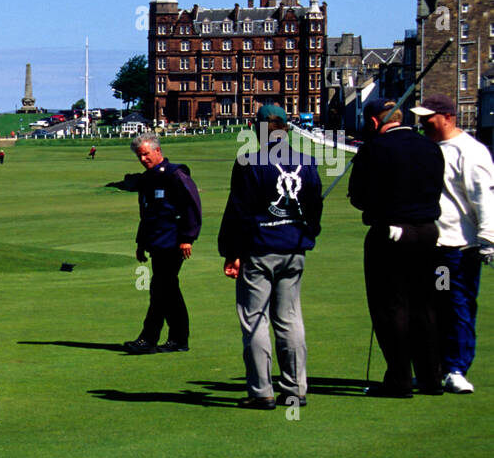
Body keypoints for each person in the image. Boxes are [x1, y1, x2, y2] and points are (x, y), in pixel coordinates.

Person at [217, 105, 323, 408]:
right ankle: (295, 389)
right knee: (290, 319)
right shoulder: (308, 161)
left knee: (255, 321)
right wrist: (309, 232)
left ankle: (262, 392)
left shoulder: (248, 162)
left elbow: (238, 212)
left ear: (258, 128)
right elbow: (314, 207)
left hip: (259, 250)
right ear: (286, 128)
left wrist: (230, 252)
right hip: (294, 248)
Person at [347, 99, 446, 397]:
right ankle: (431, 377)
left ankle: (400, 380)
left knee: (392, 307)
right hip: (430, 233)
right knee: (426, 305)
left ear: (374, 123)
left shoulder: (374, 149)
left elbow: (359, 196)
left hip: (391, 232)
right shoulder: (432, 147)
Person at [412, 93, 494, 393]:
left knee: (455, 306)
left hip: (457, 248)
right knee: (429, 308)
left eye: (428, 119)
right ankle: (431, 370)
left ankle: (456, 368)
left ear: (447, 117)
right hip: (429, 245)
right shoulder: (427, 148)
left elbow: (484, 197)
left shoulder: (470, 152)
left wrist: (488, 239)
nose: (423, 124)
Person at [123, 132, 201, 354]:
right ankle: (178, 339)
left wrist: (188, 238)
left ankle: (148, 338)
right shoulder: (147, 179)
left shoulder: (176, 175)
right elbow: (147, 214)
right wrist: (140, 243)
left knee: (160, 288)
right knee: (168, 289)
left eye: (146, 154)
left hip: (174, 241)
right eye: (140, 156)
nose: (143, 159)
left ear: (157, 151)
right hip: (156, 242)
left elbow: (191, 206)